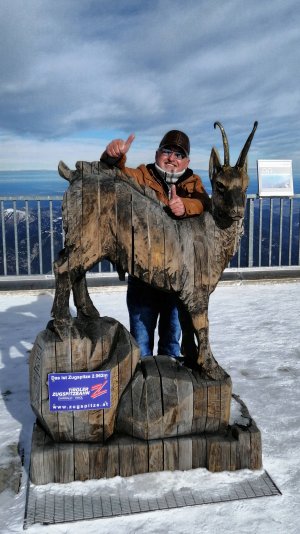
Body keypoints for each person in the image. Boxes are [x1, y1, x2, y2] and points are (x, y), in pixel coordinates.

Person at [100, 130, 210, 359]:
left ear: (187, 161)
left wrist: (185, 206)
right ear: (157, 153)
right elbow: (111, 174)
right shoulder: (142, 174)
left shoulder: (193, 181)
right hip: (143, 275)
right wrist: (113, 157)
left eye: (179, 154)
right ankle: (143, 392)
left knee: (171, 344)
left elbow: (205, 204)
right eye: (167, 151)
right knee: (140, 347)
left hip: (177, 280)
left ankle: (169, 391)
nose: (172, 158)